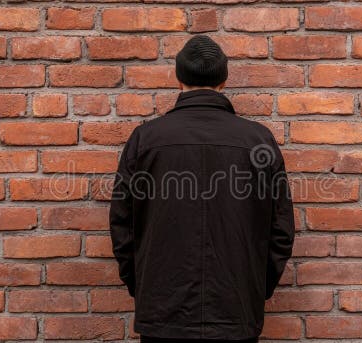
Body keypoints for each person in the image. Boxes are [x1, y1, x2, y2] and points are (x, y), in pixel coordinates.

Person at [109, 34, 295, 343]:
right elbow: (282, 230)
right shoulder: (258, 140)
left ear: (179, 80)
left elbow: (121, 226)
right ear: (224, 82)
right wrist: (253, 290)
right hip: (236, 312)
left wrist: (142, 286)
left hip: (162, 313)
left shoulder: (145, 140)